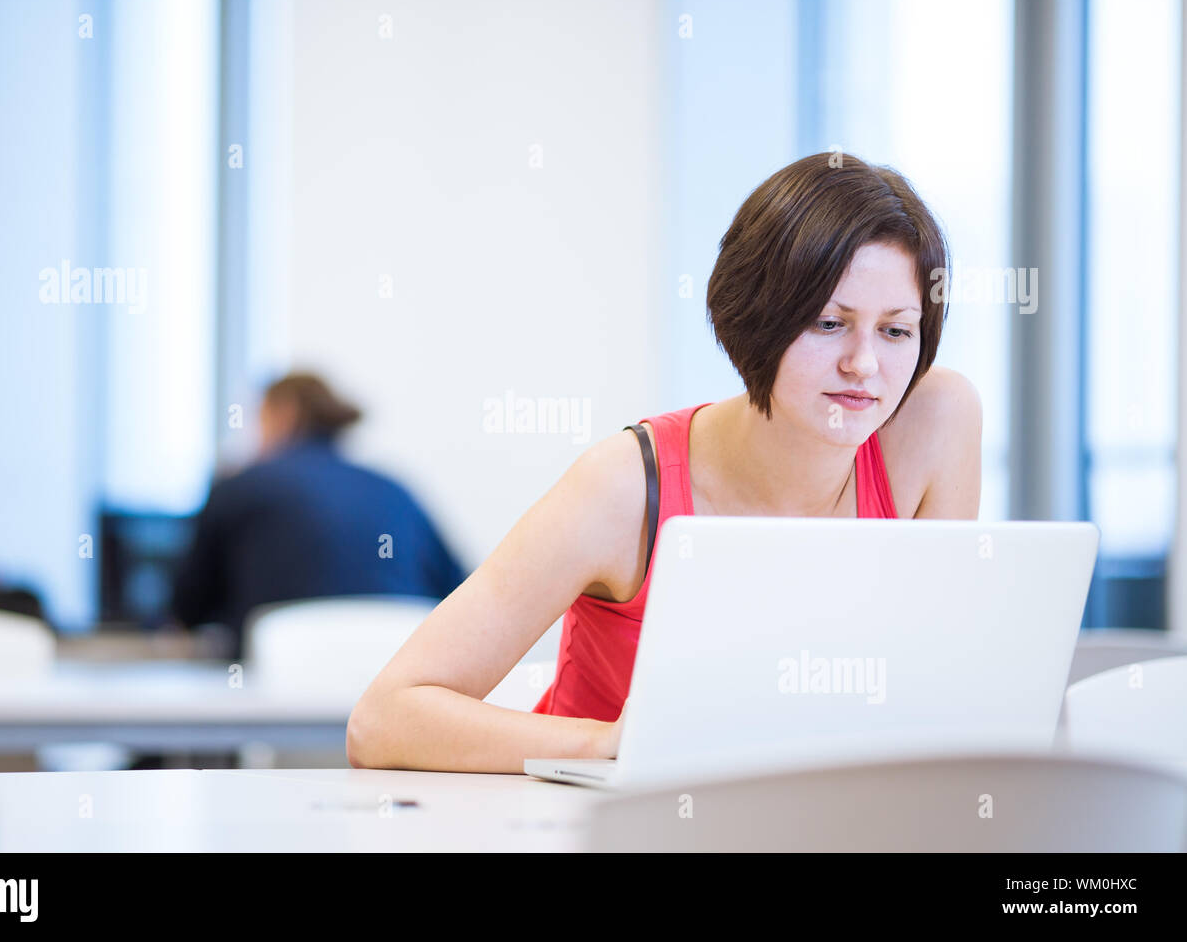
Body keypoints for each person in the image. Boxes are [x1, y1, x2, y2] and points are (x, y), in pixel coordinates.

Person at [346, 151, 984, 774]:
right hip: (605, 823)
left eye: (896, 331)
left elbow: (930, 682)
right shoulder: (624, 487)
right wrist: (618, 744)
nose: (865, 365)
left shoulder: (934, 421)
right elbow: (383, 721)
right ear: (757, 317)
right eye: (827, 323)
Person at [169, 372, 467, 659]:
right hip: (396, 674)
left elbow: (188, 608)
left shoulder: (239, 486)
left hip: (280, 683)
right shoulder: (394, 489)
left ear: (283, 415)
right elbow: (458, 591)